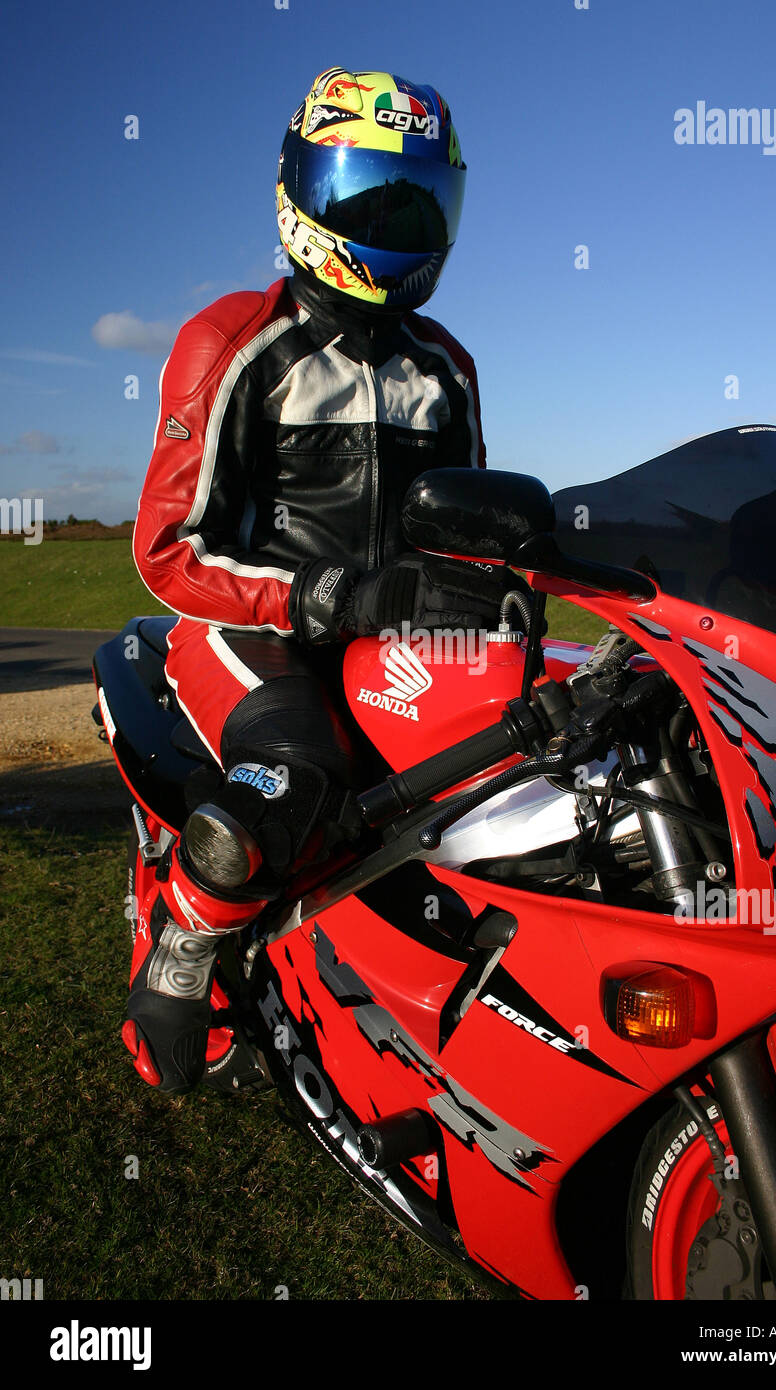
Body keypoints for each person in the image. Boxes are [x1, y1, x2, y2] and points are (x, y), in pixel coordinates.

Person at [122, 67, 525, 1096]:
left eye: (418, 197)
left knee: (533, 755)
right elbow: (169, 550)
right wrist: (320, 597)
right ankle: (177, 948)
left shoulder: (448, 366)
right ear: (298, 191)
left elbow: (472, 536)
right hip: (242, 628)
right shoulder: (231, 341)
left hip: (386, 636)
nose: (395, 218)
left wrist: (512, 593)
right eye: (367, 194)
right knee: (296, 772)